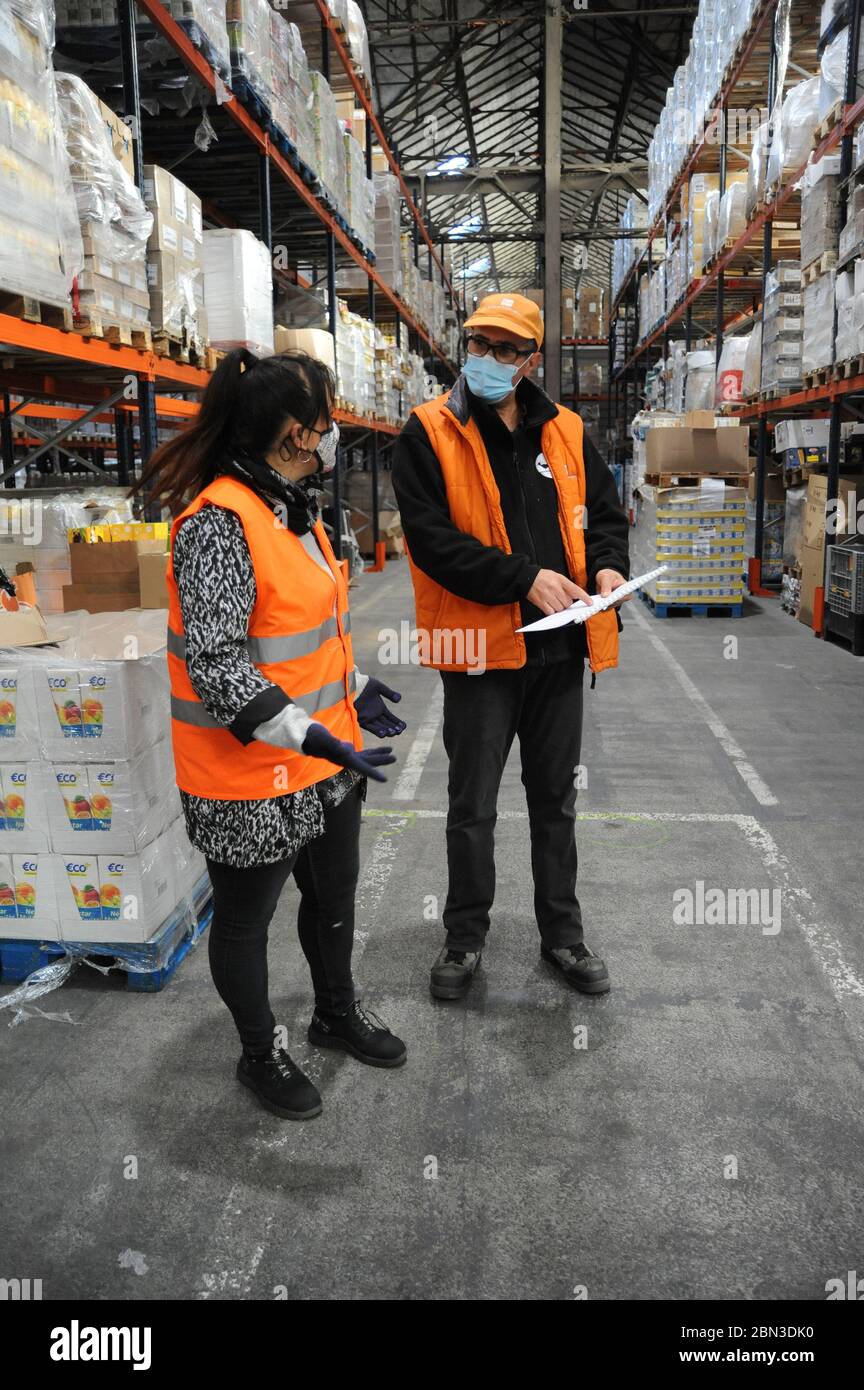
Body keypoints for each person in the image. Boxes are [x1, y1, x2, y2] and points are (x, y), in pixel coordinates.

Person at [135, 349, 408, 1121]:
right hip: (248, 773)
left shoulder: (299, 510)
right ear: (295, 433)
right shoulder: (218, 524)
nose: (331, 438)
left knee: (333, 894)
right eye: (325, 424)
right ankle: (259, 1053)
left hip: (326, 759)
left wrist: (356, 690)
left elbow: (300, 637)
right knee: (246, 919)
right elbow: (221, 668)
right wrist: (315, 738)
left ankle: (335, 1010)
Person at [392, 292, 630, 1002]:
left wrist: (609, 565)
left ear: (531, 360)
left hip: (559, 654)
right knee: (473, 803)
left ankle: (563, 935)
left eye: (505, 350)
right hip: (480, 652)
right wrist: (522, 578)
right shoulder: (428, 431)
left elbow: (606, 516)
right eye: (479, 344)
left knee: (555, 799)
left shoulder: (565, 431)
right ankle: (464, 938)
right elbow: (434, 544)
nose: (489, 360)